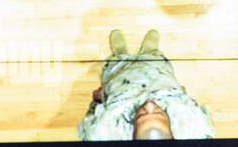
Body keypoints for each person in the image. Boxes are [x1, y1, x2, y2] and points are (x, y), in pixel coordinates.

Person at [77, 30, 215, 140]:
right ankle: (150, 52)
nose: (149, 104)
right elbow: (203, 111)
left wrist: (96, 102)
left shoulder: (103, 132)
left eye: (141, 115)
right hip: (158, 76)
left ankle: (119, 54)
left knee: (116, 65)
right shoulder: (196, 129)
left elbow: (89, 122)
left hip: (120, 81)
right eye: (159, 113)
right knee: (155, 61)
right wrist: (185, 97)